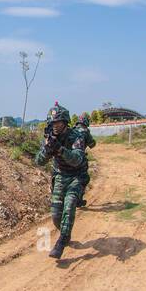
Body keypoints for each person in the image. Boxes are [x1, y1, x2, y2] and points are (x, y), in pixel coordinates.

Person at [35, 102, 88, 260]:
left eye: (57, 122)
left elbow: (77, 159)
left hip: (76, 176)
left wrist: (60, 149)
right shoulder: (50, 138)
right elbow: (38, 161)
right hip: (59, 177)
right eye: (52, 123)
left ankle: (62, 241)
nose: (54, 126)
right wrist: (47, 149)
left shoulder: (76, 137)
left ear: (65, 122)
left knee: (70, 204)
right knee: (56, 215)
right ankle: (65, 232)